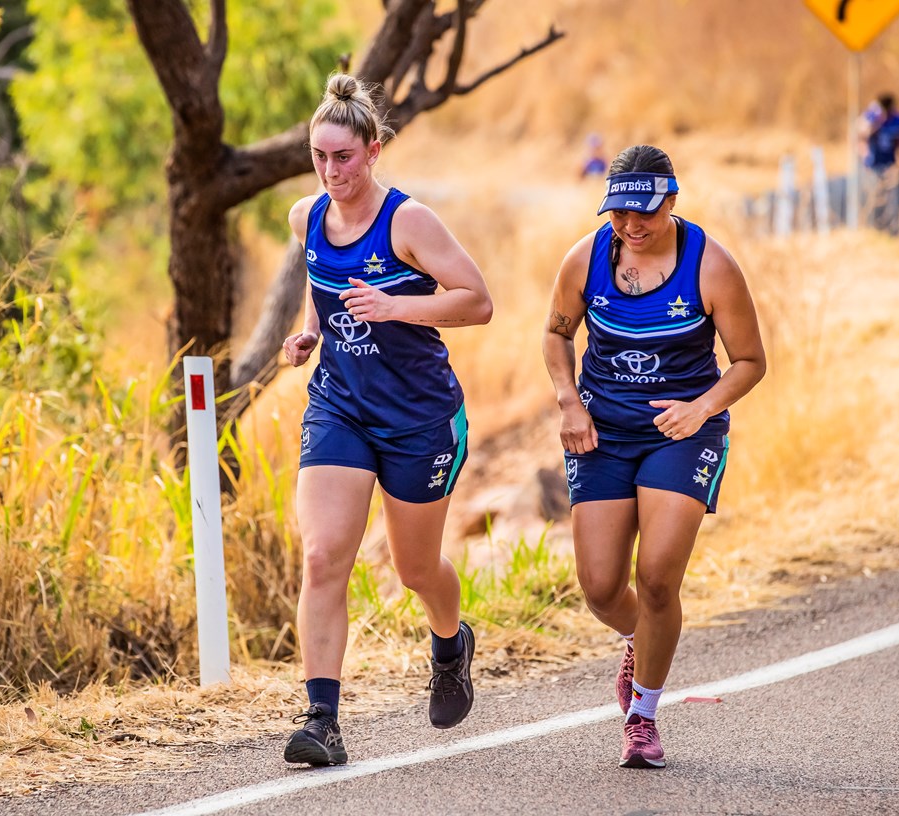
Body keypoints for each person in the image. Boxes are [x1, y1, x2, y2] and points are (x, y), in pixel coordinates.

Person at [280, 73, 493, 766]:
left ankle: (449, 642)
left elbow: (476, 300)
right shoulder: (306, 216)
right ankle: (322, 721)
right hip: (340, 405)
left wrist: (398, 307)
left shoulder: (409, 222)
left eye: (344, 156)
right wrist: (309, 331)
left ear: (374, 150)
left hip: (418, 416)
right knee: (321, 556)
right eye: (320, 155)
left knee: (415, 567)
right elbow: (322, 289)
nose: (331, 170)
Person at [541, 145, 765, 769]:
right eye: (618, 213)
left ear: (671, 201)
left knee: (658, 579)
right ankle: (645, 640)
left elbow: (751, 362)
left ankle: (643, 715)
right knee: (600, 585)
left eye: (644, 213)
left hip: (682, 432)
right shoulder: (585, 259)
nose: (630, 226)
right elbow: (557, 334)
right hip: (601, 430)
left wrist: (701, 408)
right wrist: (568, 402)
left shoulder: (712, 266)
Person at [858, 93, 899, 235]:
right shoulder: (871, 116)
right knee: (873, 198)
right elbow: (862, 136)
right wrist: (877, 122)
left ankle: (892, 230)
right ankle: (872, 229)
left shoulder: (897, 120)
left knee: (891, 198)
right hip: (872, 164)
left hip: (890, 164)